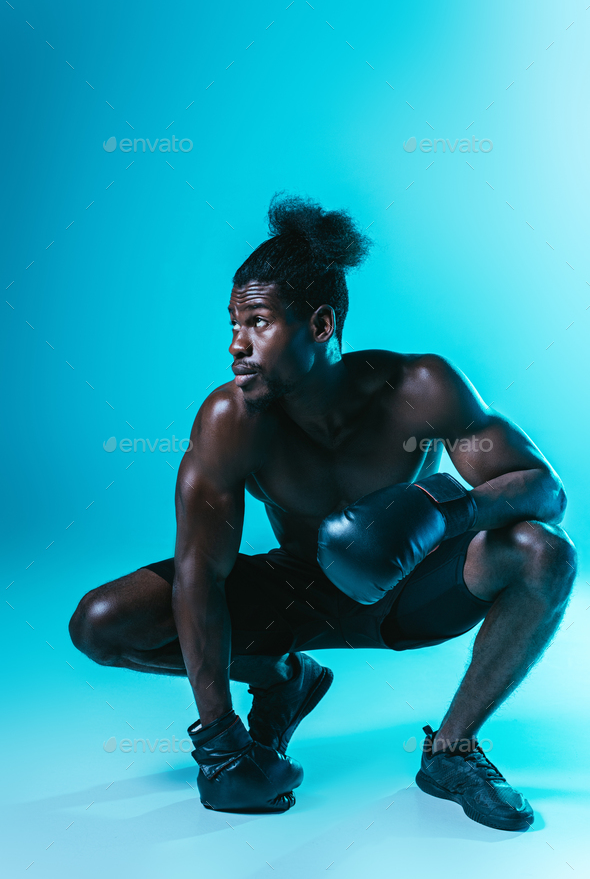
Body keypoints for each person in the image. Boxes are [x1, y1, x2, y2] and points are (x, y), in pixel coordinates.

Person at [69, 193, 577, 828]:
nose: (237, 345)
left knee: (545, 552)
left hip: (414, 591)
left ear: (320, 325)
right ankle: (284, 678)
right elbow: (201, 574)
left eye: (257, 322)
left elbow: (545, 491)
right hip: (300, 597)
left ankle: (451, 753)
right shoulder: (233, 419)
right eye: (232, 324)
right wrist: (221, 741)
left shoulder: (420, 388)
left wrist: (449, 511)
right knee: (100, 621)